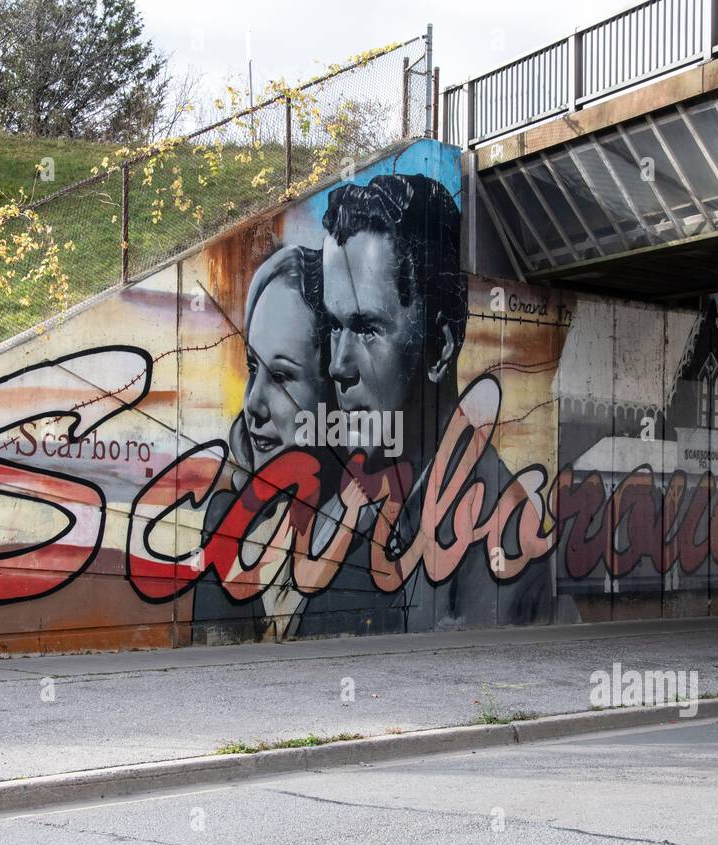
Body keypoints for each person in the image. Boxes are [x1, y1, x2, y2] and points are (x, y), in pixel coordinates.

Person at [313, 173, 561, 631]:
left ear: (441, 346)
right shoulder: (346, 505)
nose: (338, 365)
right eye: (333, 325)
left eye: (367, 329)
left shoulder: (502, 536)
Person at [190, 245, 339, 643]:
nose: (253, 403)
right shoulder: (227, 520)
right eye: (253, 368)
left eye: (281, 376)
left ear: (333, 390)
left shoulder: (365, 535)